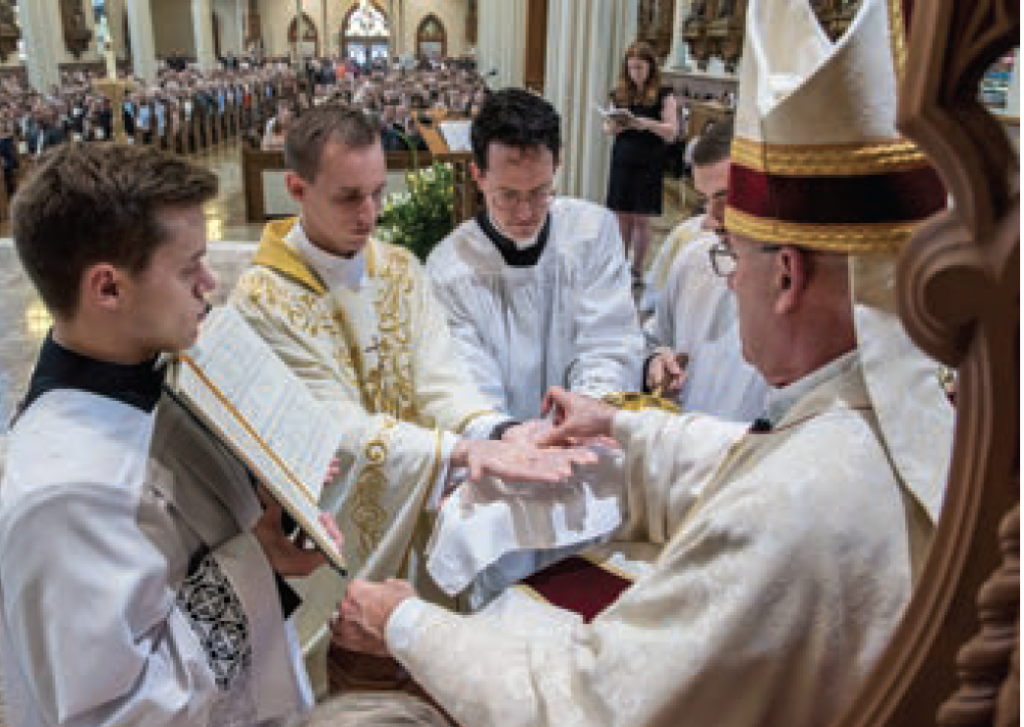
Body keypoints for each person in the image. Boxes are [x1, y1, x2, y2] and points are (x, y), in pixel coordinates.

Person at [333, 1, 955, 725]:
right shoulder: (905, 420)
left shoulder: (789, 503)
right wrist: (608, 427)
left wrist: (407, 623)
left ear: (785, 276)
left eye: (730, 254)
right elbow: (734, 458)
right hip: (520, 445)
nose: (722, 274)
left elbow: (585, 705)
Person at [228, 103, 594, 690]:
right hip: (330, 538)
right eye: (350, 197)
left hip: (418, 519)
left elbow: (439, 379)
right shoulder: (260, 299)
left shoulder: (398, 268)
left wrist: (495, 433)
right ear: (297, 187)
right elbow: (331, 424)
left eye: (378, 192)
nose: (370, 214)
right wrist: (456, 453)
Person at [0, 143, 338, 725]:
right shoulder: (63, 494)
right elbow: (123, 712)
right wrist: (258, 564)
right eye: (188, 268)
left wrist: (267, 481)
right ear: (107, 289)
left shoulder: (157, 362)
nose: (209, 282)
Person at [426, 88, 644, 423]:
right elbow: (466, 380)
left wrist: (582, 413)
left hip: (583, 438)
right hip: (498, 451)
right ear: (479, 177)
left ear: (557, 164)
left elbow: (608, 344)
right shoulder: (449, 268)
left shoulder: (592, 233)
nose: (525, 212)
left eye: (541, 192)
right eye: (507, 195)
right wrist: (508, 437)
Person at [643, 117, 768, 422]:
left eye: (725, 200)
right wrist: (655, 362)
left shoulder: (802, 290)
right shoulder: (694, 258)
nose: (710, 221)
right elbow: (656, 337)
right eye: (704, 201)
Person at [603, 40, 678, 279]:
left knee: (640, 218)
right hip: (623, 157)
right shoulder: (619, 93)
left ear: (651, 68)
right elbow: (607, 127)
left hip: (648, 159)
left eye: (640, 68)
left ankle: (636, 270)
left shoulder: (664, 94)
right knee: (621, 215)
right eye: (631, 68)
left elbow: (672, 131)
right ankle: (621, 265)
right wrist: (612, 126)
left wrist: (646, 124)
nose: (635, 73)